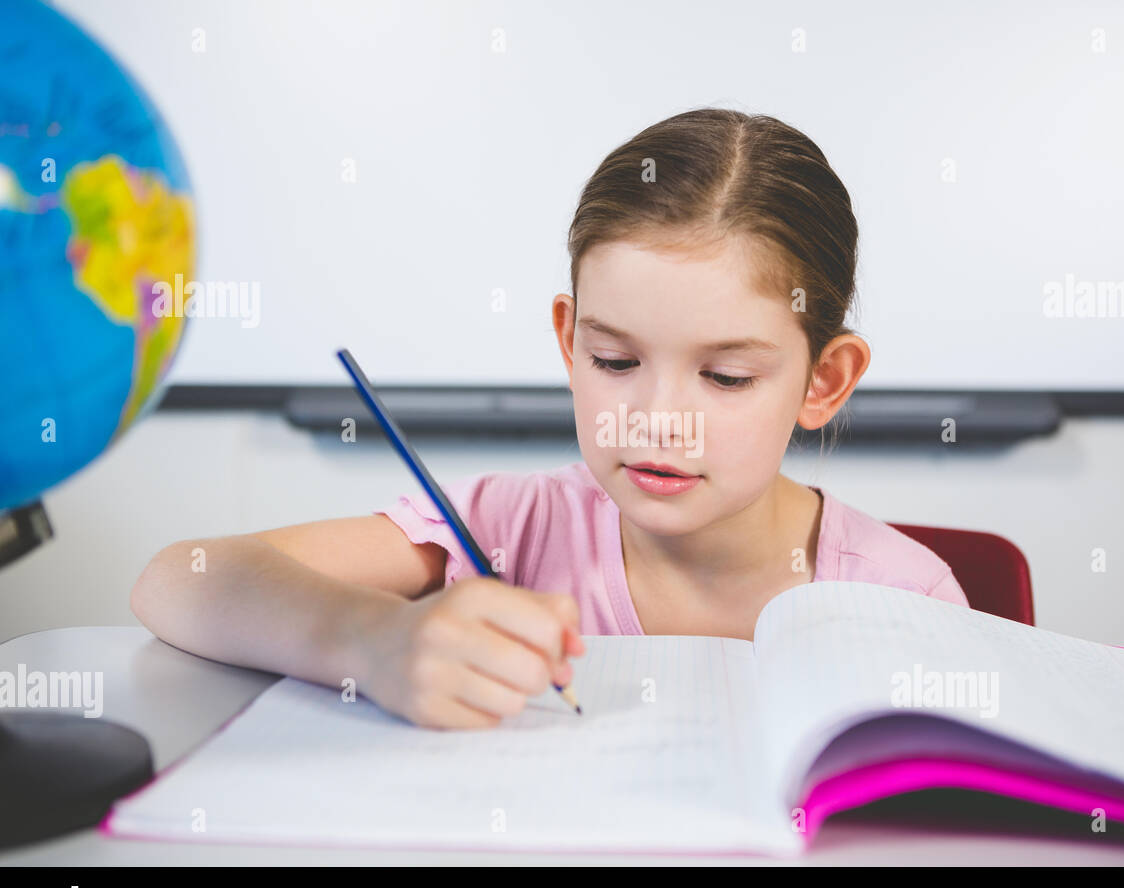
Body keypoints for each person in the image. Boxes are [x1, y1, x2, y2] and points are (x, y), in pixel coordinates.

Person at [131, 108, 968, 731]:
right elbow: (179, 578)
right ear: (570, 341)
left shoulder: (907, 597)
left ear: (825, 380)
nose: (657, 421)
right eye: (614, 362)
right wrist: (373, 642)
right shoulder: (502, 527)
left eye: (725, 375)